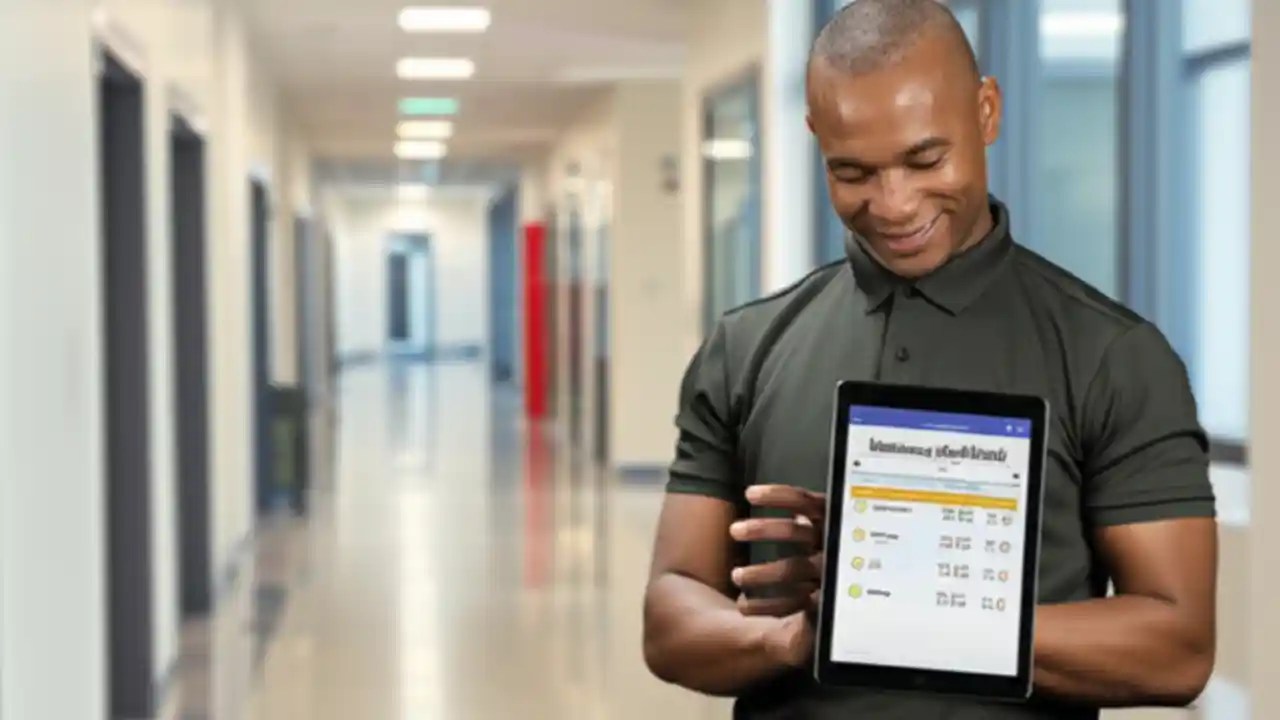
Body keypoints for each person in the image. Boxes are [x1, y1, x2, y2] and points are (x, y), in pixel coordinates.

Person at [641, 0, 1219, 718]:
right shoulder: (744, 348)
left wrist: (909, 613)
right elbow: (669, 618)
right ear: (816, 137)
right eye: (852, 171)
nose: (894, 204)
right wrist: (798, 637)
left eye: (925, 159)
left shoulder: (1114, 356)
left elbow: (1178, 648)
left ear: (987, 111)